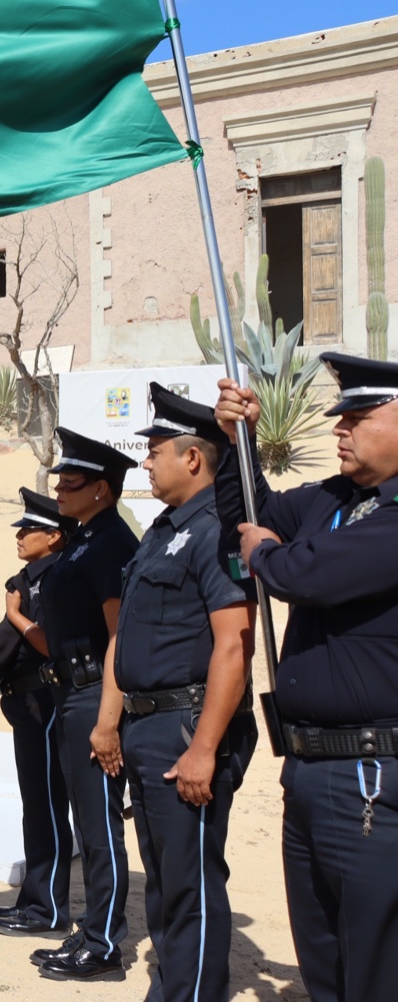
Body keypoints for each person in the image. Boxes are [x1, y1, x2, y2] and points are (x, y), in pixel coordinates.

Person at [213, 352, 398, 1002]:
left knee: (373, 963)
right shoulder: (334, 500)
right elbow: (247, 509)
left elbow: (301, 574)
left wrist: (266, 551)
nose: (339, 428)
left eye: (358, 415)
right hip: (309, 769)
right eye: (338, 416)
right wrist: (238, 437)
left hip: (371, 778)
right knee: (321, 954)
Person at [91, 384, 254, 1000]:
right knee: (163, 878)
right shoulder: (162, 531)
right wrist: (113, 722)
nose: (146, 460)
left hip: (188, 725)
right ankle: (173, 987)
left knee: (191, 881)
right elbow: (127, 633)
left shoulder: (218, 529)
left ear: (193, 458)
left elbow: (234, 644)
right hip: (147, 726)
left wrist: (205, 747)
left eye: (156, 449)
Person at [26, 428, 140, 982]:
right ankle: (92, 929)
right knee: (86, 819)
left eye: (72, 481)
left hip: (96, 694)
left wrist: (108, 720)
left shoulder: (112, 542)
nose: (60, 487)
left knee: (99, 826)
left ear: (102, 489)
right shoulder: (84, 538)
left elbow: (122, 635)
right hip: (71, 692)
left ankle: (104, 945)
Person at [0, 489, 75, 939]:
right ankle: (35, 898)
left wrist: (15, 616)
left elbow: (50, 643)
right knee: (35, 807)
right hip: (27, 704)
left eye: (30, 528)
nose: (20, 535)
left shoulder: (56, 576)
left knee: (48, 807)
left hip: (46, 704)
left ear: (55, 536)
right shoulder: (34, 575)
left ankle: (49, 907)